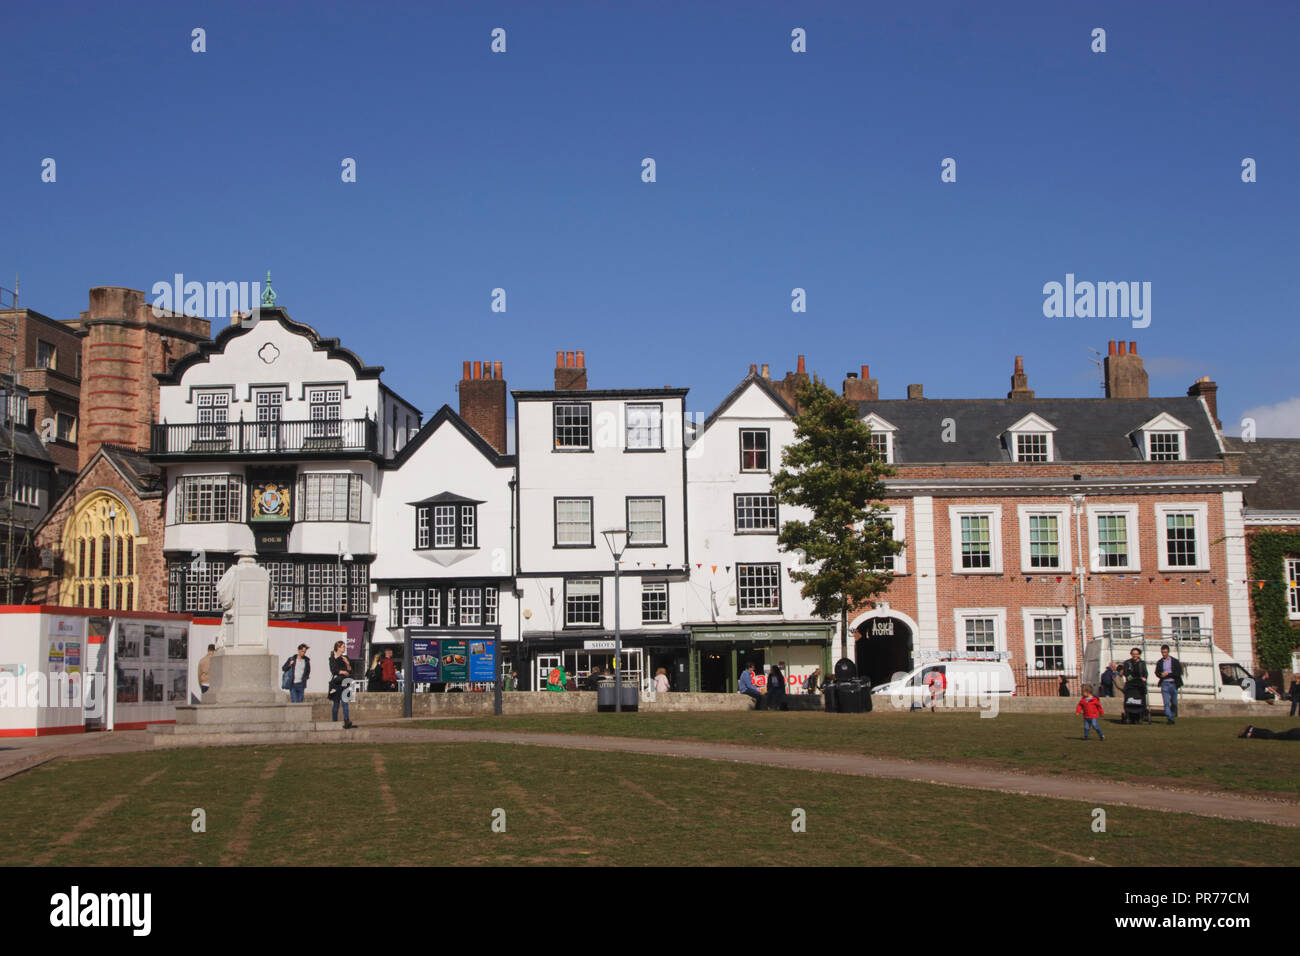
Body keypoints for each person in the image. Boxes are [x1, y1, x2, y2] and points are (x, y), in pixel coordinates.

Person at [328, 641, 355, 729]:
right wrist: (343, 672)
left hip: (345, 682)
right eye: (343, 647)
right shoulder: (332, 658)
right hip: (337, 683)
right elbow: (333, 670)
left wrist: (347, 663)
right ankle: (334, 721)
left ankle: (347, 720)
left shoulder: (345, 657)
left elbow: (350, 670)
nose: (344, 648)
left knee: (345, 703)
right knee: (336, 703)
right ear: (338, 648)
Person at [1153, 644, 1183, 724]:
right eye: (1162, 652)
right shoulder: (1160, 662)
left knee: (1174, 703)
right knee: (1166, 703)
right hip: (1164, 684)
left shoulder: (1175, 661)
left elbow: (1178, 673)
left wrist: (1168, 674)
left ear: (1168, 652)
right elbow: (1156, 672)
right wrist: (1160, 675)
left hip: (1173, 684)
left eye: (1165, 652)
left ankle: (1172, 715)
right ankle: (1170, 718)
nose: (1164, 654)